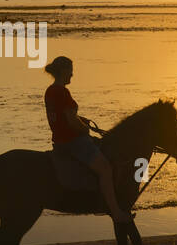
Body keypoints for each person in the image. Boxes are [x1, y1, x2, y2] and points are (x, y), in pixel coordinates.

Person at [43, 56, 130, 225]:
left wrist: (80, 119)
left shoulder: (50, 90)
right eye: (70, 70)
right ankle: (116, 211)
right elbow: (70, 120)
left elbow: (63, 115)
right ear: (63, 71)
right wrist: (85, 128)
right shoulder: (62, 91)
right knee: (105, 168)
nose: (72, 74)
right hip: (73, 141)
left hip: (60, 140)